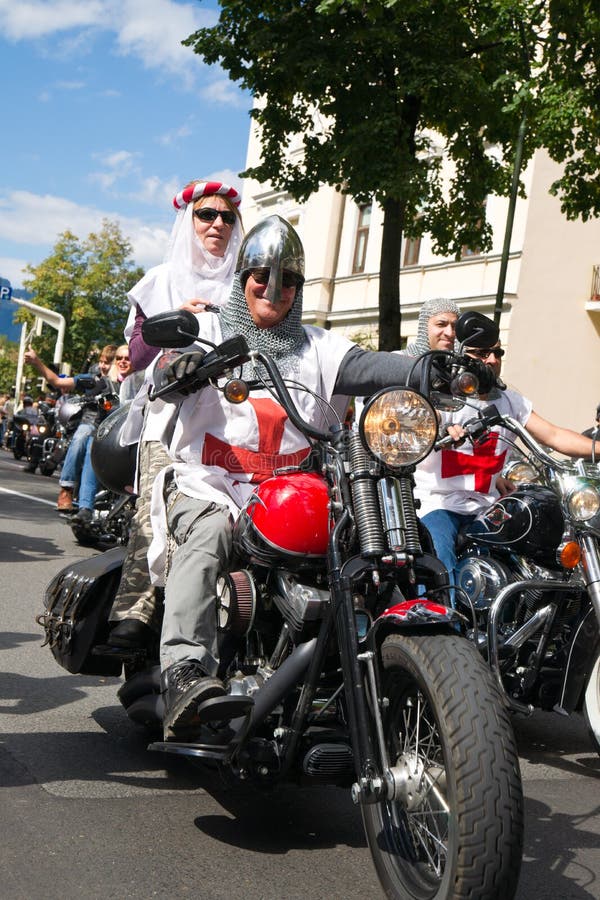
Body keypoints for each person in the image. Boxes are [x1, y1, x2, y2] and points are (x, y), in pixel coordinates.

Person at [142, 215, 425, 741]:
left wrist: (431, 370)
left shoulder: (319, 346)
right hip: (210, 486)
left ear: (299, 288)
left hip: (295, 493)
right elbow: (166, 367)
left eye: (287, 279)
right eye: (260, 275)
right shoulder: (207, 331)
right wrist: (178, 370)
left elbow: (370, 367)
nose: (273, 289)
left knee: (370, 544)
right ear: (242, 278)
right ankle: (184, 671)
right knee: (207, 534)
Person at [107, 179, 244, 650]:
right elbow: (137, 356)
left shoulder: (248, 284)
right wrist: (175, 315)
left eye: (227, 217)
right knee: (156, 511)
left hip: (234, 419)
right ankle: (136, 611)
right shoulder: (161, 279)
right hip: (169, 418)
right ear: (189, 221)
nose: (218, 224)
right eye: (207, 215)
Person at [414, 330, 600, 591]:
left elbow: (554, 435)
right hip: (439, 503)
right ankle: (442, 629)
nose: (491, 360)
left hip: (488, 507)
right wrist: (439, 431)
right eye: (481, 353)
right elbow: (416, 432)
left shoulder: (510, 401)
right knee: (438, 562)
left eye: (497, 353)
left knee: (535, 555)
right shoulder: (442, 399)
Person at [24, 345, 118, 514]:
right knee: (83, 439)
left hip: (115, 429)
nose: (104, 366)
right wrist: (36, 361)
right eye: (102, 362)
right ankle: (67, 490)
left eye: (108, 362)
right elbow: (57, 381)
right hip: (92, 424)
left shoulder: (127, 380)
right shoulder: (93, 379)